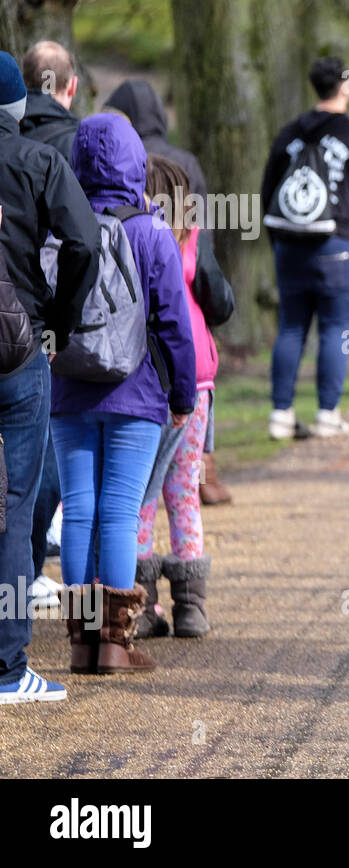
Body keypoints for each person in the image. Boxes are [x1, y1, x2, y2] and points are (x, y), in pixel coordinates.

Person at [51, 113, 196, 675]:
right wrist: (181, 394)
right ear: (137, 161)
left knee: (80, 508)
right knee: (119, 509)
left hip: (70, 388)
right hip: (135, 393)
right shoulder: (152, 230)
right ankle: (114, 643)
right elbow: (174, 326)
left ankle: (81, 643)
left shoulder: (62, 224)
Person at [0, 50, 98, 704]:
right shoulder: (37, 161)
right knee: (12, 507)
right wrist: (57, 319)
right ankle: (7, 669)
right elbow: (85, 242)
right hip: (16, 344)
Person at [104, 79, 235, 504]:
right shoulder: (186, 163)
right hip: (193, 342)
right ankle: (203, 473)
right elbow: (202, 237)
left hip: (135, 339)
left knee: (135, 483)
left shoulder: (121, 160)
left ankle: (133, 551)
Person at [135, 154, 230, 639]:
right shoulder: (189, 235)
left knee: (143, 494)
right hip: (197, 380)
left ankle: (143, 606)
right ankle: (192, 609)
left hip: (149, 380)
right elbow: (222, 300)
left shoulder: (132, 233)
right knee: (184, 491)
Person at [260, 56, 349, 440]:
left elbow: (268, 191)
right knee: (338, 330)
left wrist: (277, 242)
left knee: (291, 327)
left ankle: (281, 414)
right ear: (344, 85)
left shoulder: (290, 134)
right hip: (338, 248)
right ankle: (328, 412)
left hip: (290, 247)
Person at [19, 41, 82, 615]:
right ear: (72, 86)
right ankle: (31, 569)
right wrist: (65, 317)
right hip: (37, 324)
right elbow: (84, 240)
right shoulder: (71, 148)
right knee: (37, 455)